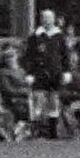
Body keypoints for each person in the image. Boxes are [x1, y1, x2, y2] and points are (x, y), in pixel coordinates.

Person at [22, 8, 72, 139]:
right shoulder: (35, 37)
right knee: (38, 101)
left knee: (53, 101)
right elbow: (29, 57)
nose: (47, 20)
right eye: (44, 18)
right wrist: (29, 73)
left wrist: (66, 71)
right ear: (41, 19)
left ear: (53, 19)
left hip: (55, 74)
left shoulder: (59, 36)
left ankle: (53, 133)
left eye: (49, 18)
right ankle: (36, 132)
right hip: (39, 74)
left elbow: (65, 55)